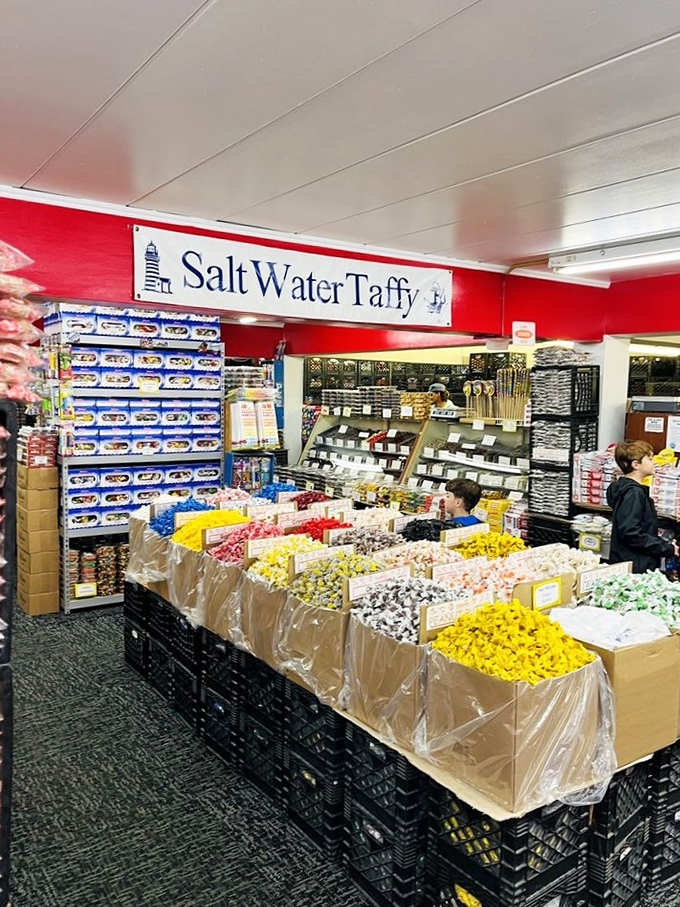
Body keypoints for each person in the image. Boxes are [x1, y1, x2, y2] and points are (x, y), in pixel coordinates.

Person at [607, 440, 678, 573]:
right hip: (635, 565)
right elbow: (631, 533)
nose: (654, 462)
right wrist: (667, 548)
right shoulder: (633, 493)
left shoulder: (628, 490)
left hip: (630, 560)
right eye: (650, 459)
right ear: (636, 465)